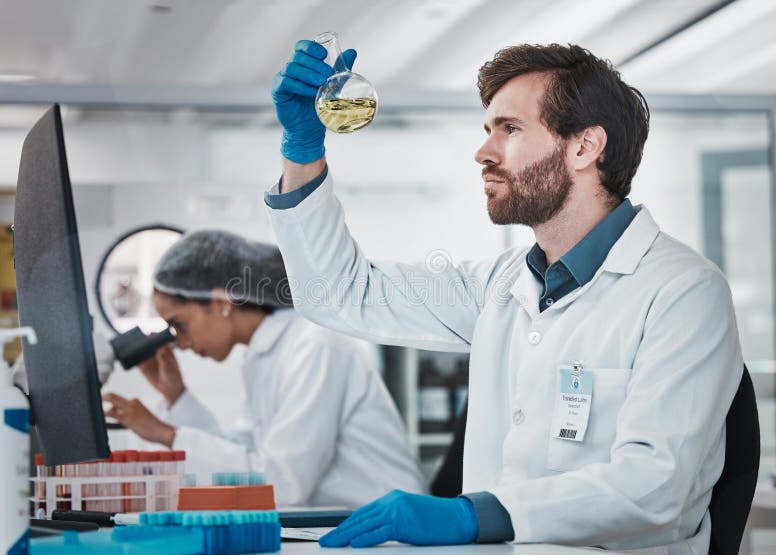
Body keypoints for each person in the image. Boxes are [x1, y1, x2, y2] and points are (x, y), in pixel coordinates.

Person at [264, 41, 743, 551]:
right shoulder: (499, 285)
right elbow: (339, 293)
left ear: (585, 147)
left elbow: (653, 483)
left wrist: (474, 515)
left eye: (509, 129)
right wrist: (303, 151)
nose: (484, 152)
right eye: (488, 130)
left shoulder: (684, 291)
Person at [102, 230, 425, 508]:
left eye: (180, 325)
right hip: (337, 518)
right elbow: (246, 455)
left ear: (221, 302)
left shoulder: (316, 345)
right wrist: (175, 396)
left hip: (390, 525)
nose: (180, 343)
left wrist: (166, 434)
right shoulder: (264, 355)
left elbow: (284, 484)